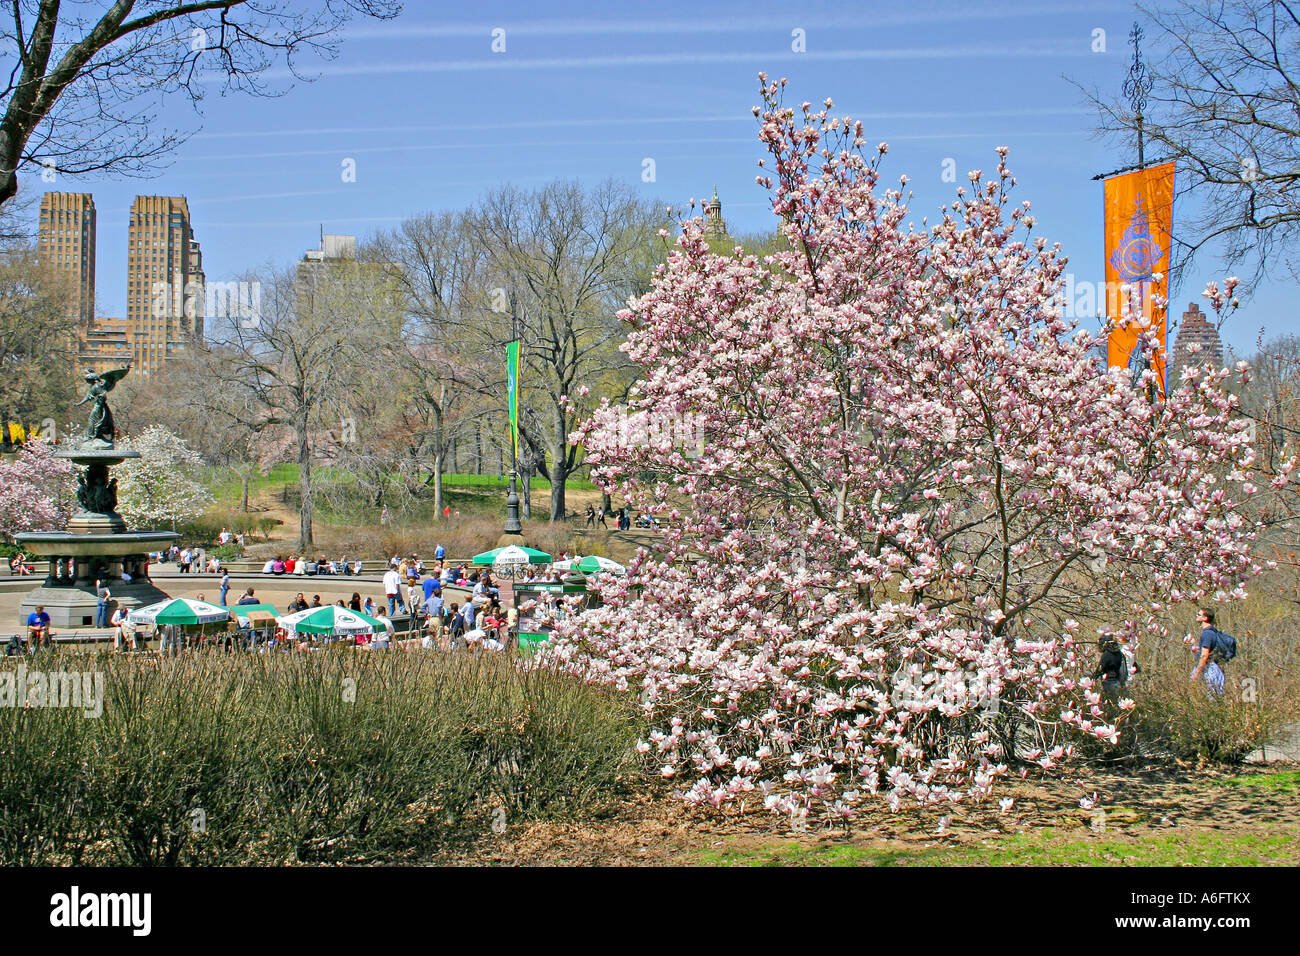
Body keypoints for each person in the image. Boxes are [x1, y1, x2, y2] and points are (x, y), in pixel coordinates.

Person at [1191, 607, 1234, 696]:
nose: (1196, 616)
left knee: (1211, 697)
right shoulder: (1213, 632)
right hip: (1213, 667)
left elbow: (1204, 655)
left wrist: (1196, 673)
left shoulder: (1207, 634)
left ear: (1205, 618)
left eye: (1199, 614)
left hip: (1209, 668)